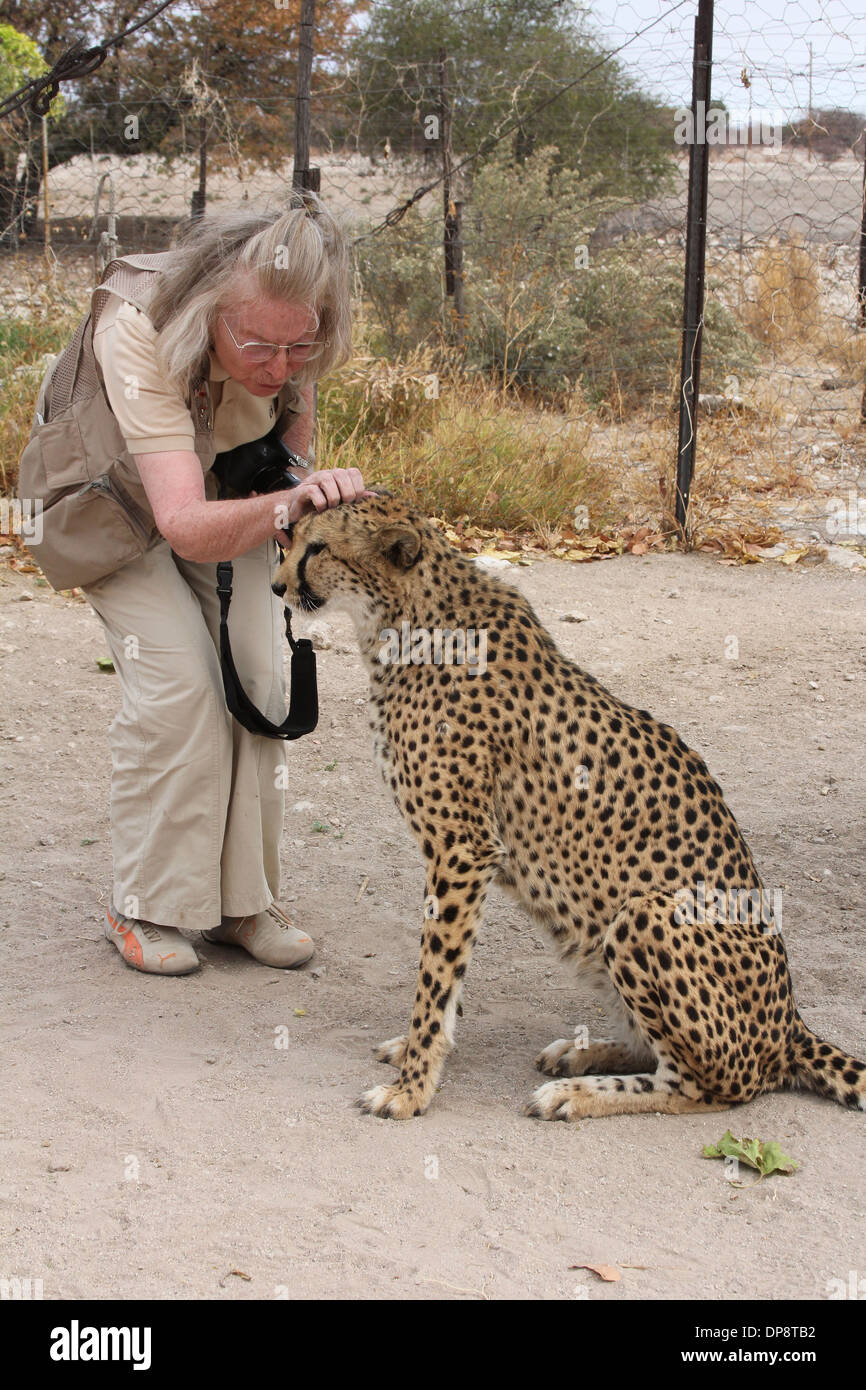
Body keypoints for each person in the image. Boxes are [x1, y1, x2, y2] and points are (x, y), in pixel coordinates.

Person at [20, 195, 368, 975]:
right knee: (179, 682)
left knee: (258, 668)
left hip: (222, 493)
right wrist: (290, 505)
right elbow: (179, 521)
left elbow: (287, 449)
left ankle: (243, 903)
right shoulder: (136, 327)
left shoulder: (288, 325)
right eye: (260, 349)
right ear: (215, 308)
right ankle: (146, 906)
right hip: (111, 509)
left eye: (300, 349)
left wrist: (302, 488)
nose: (281, 369)